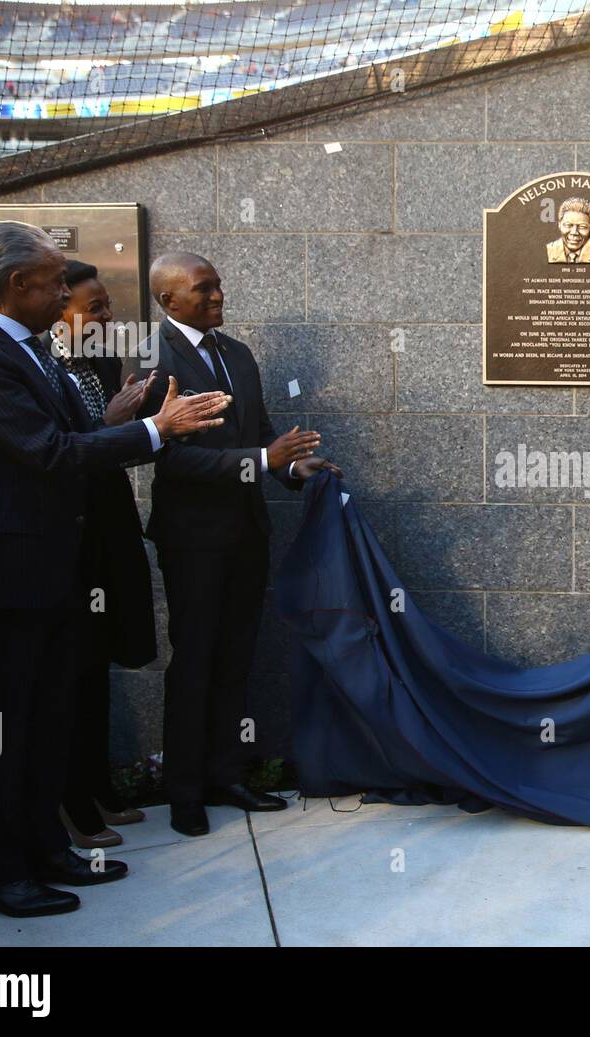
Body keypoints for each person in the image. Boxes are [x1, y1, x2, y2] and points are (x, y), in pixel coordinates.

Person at [0, 222, 230, 918]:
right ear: (19, 286)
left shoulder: (36, 351)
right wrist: (161, 428)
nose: (63, 293)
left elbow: (81, 442)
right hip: (5, 579)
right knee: (5, 736)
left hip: (54, 574)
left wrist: (129, 420)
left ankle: (46, 849)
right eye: (53, 284)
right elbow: (51, 453)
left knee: (48, 726)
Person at [136, 252, 340, 838]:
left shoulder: (237, 355)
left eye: (220, 285)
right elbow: (167, 457)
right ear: (169, 300)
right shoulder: (153, 359)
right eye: (204, 290)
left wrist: (294, 469)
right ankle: (184, 792)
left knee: (234, 660)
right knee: (195, 660)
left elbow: (261, 434)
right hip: (194, 541)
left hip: (247, 535)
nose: (219, 296)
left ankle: (226, 773)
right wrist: (259, 460)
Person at [53, 260, 157, 848]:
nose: (107, 316)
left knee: (99, 664)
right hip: (70, 536)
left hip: (108, 524)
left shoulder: (100, 362)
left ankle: (96, 787)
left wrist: (147, 420)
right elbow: (61, 451)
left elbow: (114, 450)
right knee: (70, 669)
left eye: (107, 306)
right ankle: (69, 803)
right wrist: (110, 422)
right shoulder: (38, 368)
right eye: (94, 308)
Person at [546, 198, 590, 264]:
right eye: (568, 225)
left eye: (582, 227)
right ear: (559, 225)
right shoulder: (550, 249)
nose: (574, 232)